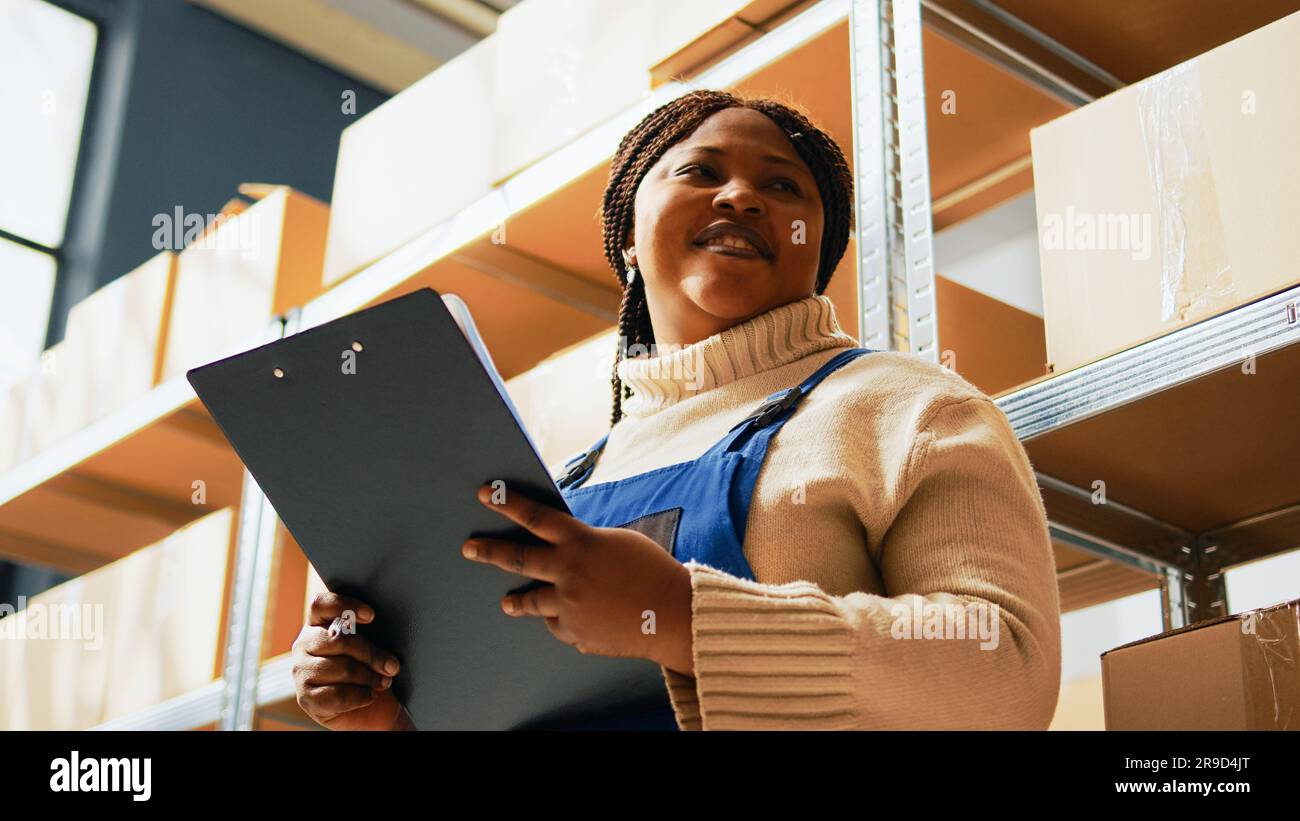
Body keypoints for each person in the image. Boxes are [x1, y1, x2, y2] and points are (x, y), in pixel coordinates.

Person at [292, 88, 1061, 731]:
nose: (741, 196)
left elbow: (1007, 672)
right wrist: (388, 715)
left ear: (818, 249)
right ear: (628, 237)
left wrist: (682, 613)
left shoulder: (908, 409)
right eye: (700, 171)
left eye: (784, 188)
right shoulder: (562, 479)